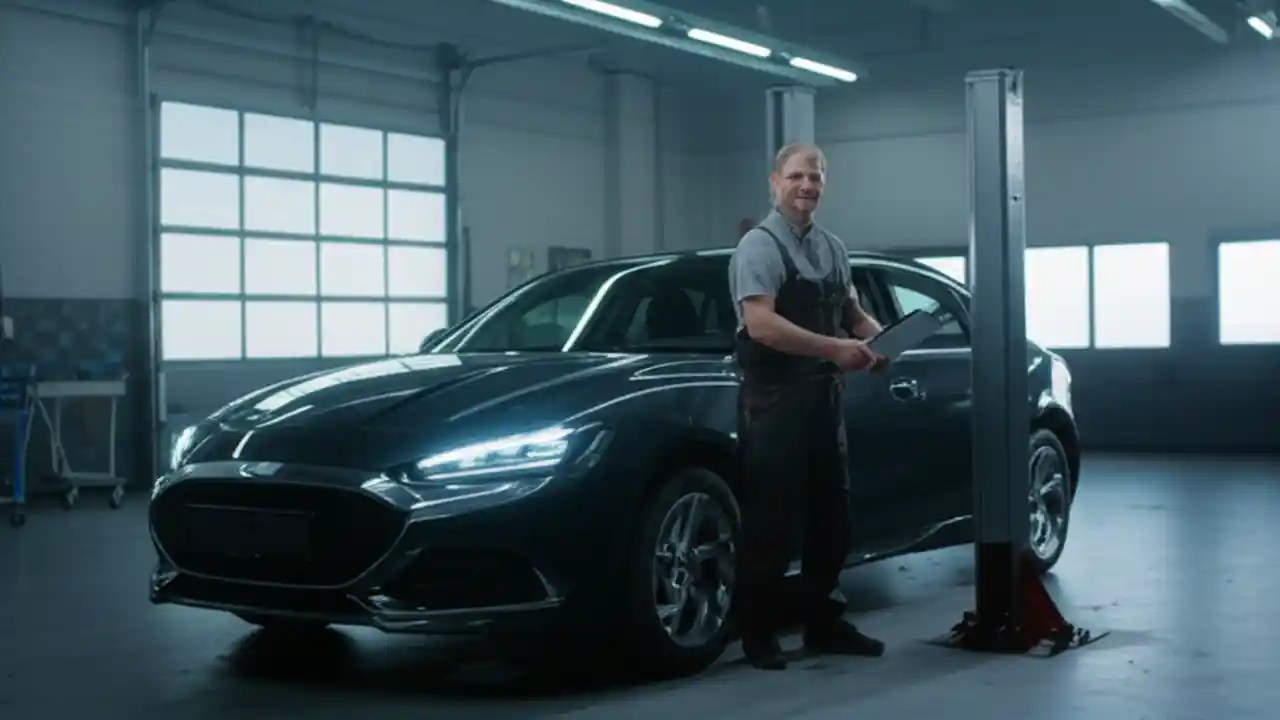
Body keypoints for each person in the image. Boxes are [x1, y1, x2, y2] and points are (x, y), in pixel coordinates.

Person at [729, 142, 889, 671]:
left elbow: (851, 313)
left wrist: (878, 340)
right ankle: (758, 634)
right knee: (771, 521)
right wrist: (835, 349)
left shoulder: (833, 247)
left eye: (815, 177)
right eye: (797, 176)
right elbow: (761, 325)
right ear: (775, 181)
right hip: (774, 399)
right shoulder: (758, 246)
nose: (807, 186)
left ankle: (824, 623)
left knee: (832, 519)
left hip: (823, 397)